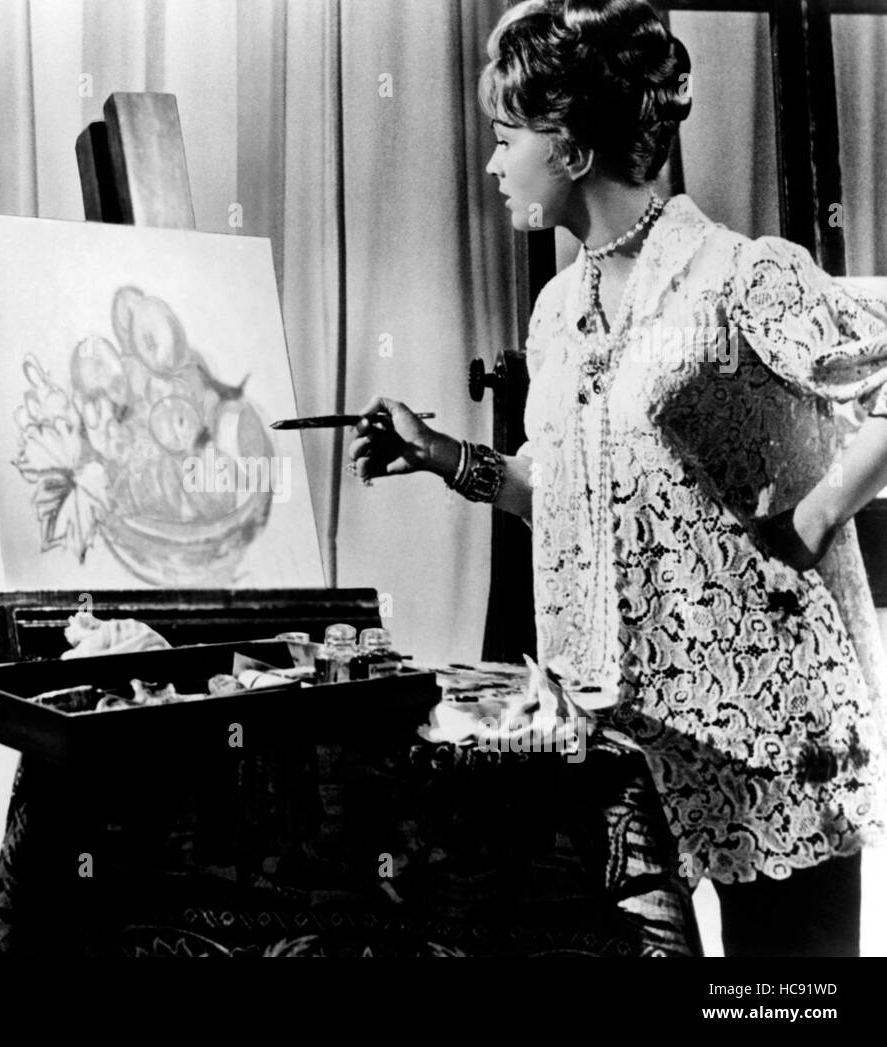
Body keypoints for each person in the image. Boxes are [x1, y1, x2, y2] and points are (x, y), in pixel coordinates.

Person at [350, 0, 887, 957]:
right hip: (635, 734)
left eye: (506, 138)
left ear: (569, 147)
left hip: (773, 733)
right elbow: (559, 493)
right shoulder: (559, 310)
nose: (492, 163)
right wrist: (443, 456)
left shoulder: (736, 276)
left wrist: (812, 517)